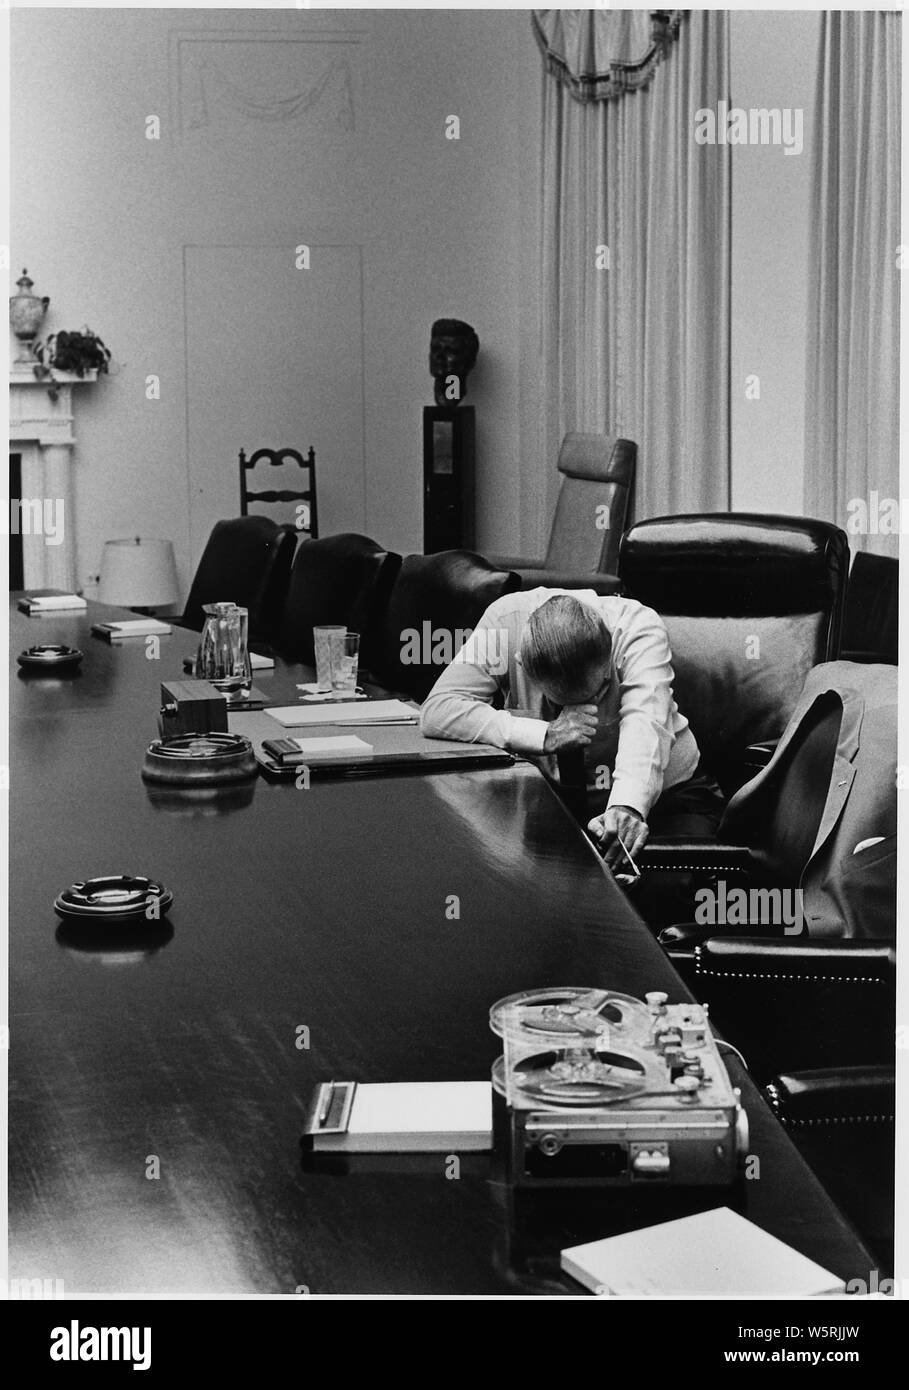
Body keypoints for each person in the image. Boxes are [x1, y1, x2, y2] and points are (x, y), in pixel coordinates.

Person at [420, 589, 724, 881]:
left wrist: (628, 805)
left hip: (668, 799)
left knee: (659, 888)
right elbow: (439, 708)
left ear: (610, 656)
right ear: (522, 665)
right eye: (561, 703)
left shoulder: (637, 627)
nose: (585, 710)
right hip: (555, 801)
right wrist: (546, 733)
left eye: (599, 692)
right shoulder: (503, 623)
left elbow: (645, 721)